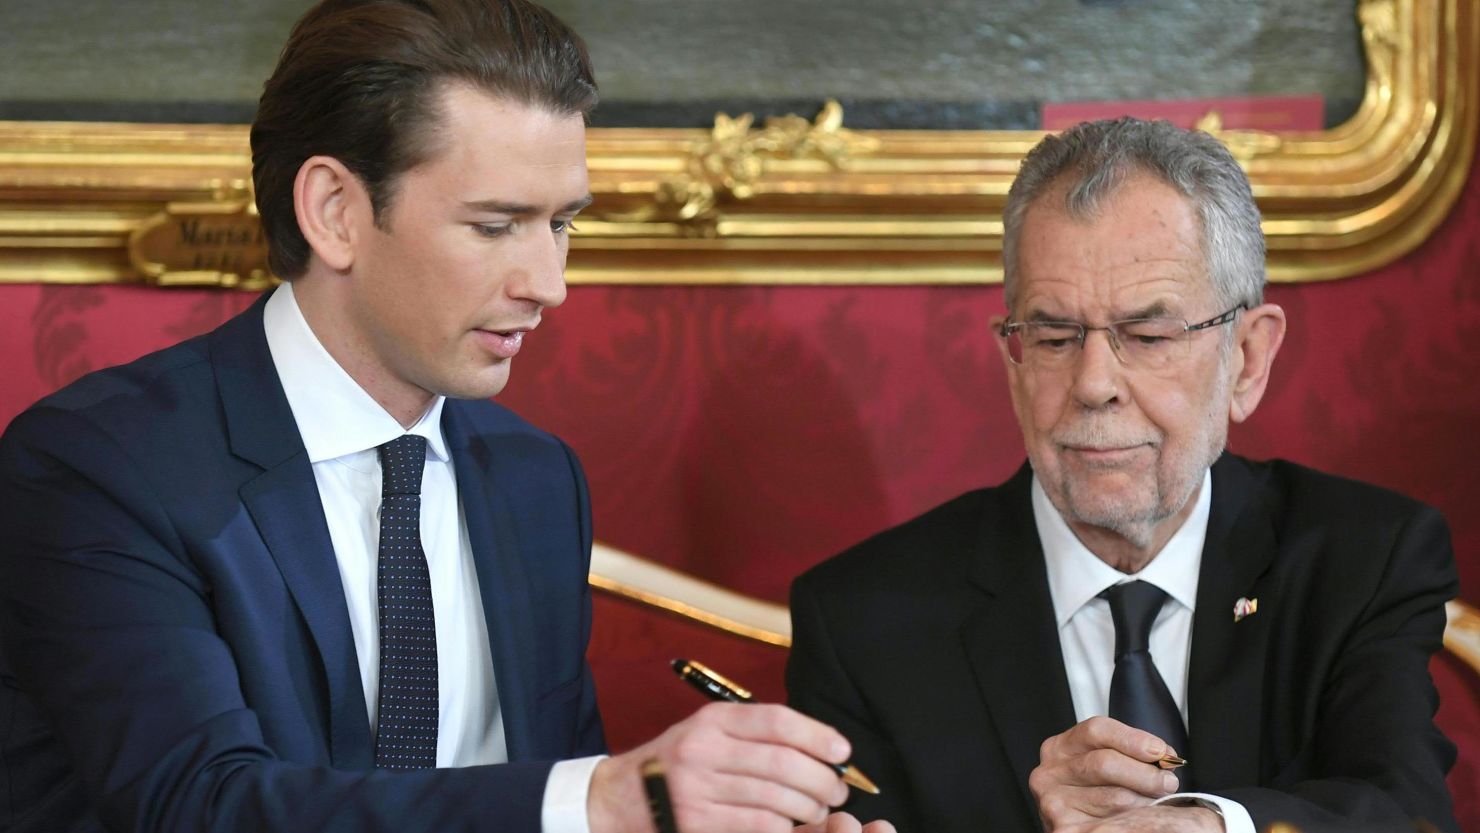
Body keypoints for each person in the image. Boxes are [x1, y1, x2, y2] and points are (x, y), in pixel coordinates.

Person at [0, 2, 891, 832]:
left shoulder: (534, 478)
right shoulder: (97, 469)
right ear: (336, 212)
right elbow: (201, 805)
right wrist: (609, 797)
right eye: (498, 225)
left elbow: (549, 798)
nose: (549, 283)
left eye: (562, 224)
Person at [786, 117, 1458, 833]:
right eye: (1053, 337)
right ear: (1015, 361)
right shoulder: (863, 617)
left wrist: (1210, 826)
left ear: (1248, 360)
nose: (1094, 383)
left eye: (1147, 335)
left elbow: (1405, 814)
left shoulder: (1361, 561)